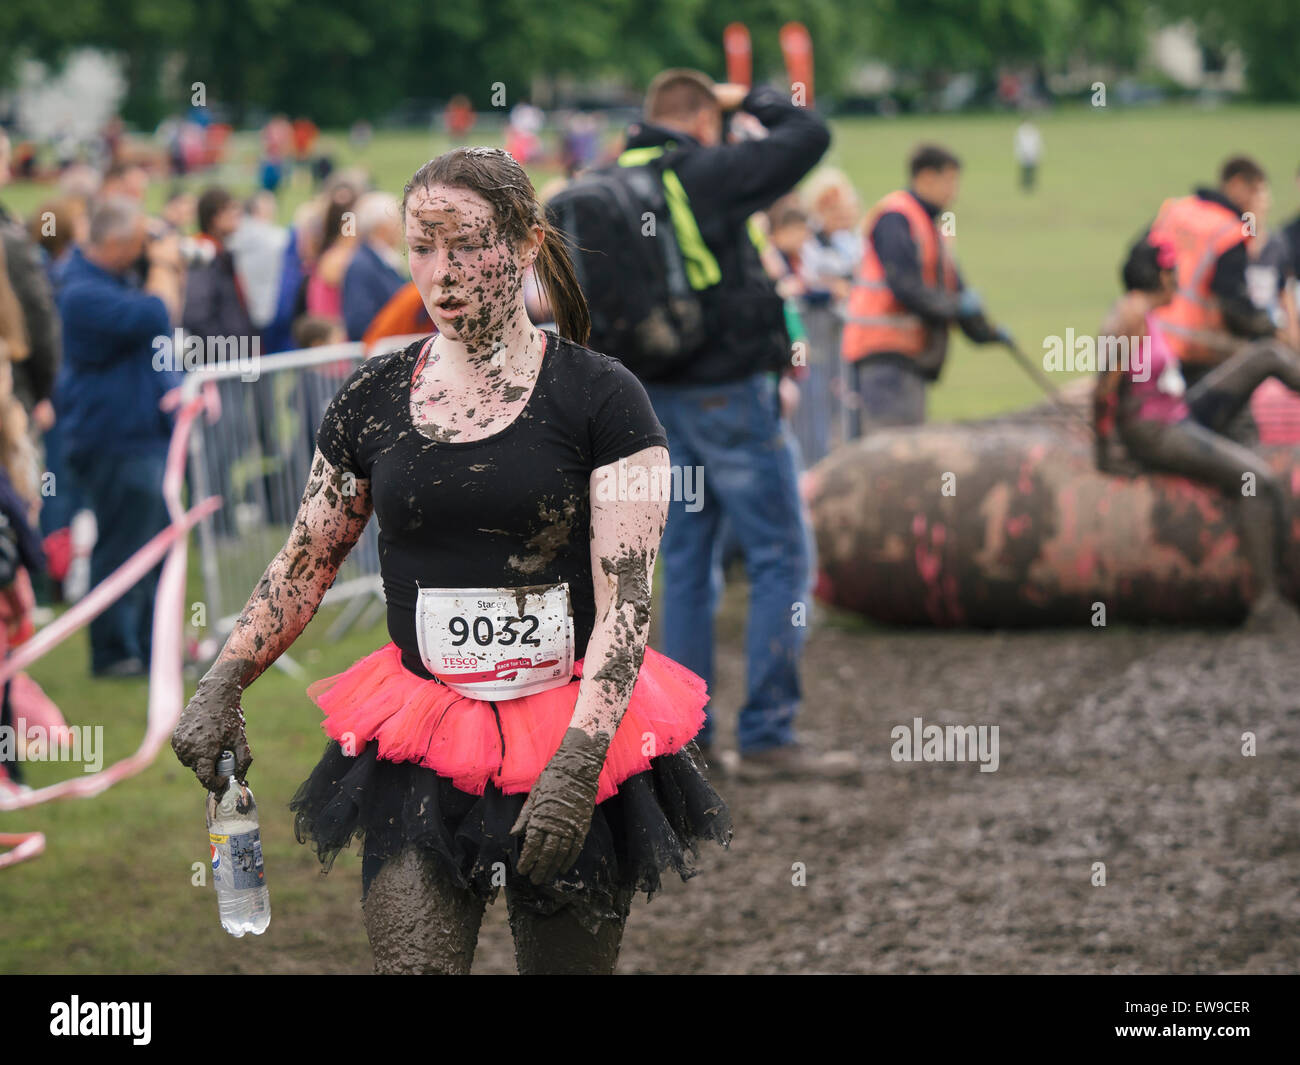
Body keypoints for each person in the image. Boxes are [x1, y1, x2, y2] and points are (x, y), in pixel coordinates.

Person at [171, 146, 731, 975]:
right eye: (421, 248)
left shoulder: (603, 397)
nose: (441, 272)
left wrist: (579, 767)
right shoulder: (371, 396)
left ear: (527, 242)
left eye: (465, 244)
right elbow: (305, 560)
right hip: (422, 733)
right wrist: (225, 678)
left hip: (571, 727)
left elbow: (628, 605)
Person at [619, 69, 852, 779]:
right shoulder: (703, 171)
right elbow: (809, 133)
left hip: (656, 399)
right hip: (730, 396)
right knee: (783, 555)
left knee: (687, 566)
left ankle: (688, 738)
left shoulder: (615, 178)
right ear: (703, 120)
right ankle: (768, 733)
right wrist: (745, 96)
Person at [1094, 235, 1300, 631]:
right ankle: (1266, 603)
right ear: (1158, 276)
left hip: (1179, 410)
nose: (1178, 282)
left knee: (1267, 356)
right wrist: (1107, 450)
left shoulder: (1147, 313)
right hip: (1156, 429)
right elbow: (1105, 390)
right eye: (1172, 274)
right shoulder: (1128, 318)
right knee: (1256, 479)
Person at [56, 197, 183, 677]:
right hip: (113, 440)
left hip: (139, 436)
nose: (142, 253)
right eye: (135, 245)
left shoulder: (112, 280)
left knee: (152, 545)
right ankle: (113, 654)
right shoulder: (80, 292)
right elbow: (157, 313)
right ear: (113, 243)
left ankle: (150, 646)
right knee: (121, 549)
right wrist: (166, 263)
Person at [841, 143, 1005, 437]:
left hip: (909, 356)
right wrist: (957, 308)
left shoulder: (930, 227)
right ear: (926, 177)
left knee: (906, 443)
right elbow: (906, 287)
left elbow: (954, 289)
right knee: (890, 450)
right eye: (949, 181)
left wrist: (986, 331)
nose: (954, 192)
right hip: (883, 353)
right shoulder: (896, 218)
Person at [1144, 156, 1279, 444]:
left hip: (1153, 347)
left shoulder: (1177, 211)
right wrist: (1271, 329)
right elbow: (1237, 310)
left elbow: (1137, 267)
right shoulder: (1229, 232)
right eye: (1257, 192)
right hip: (1198, 354)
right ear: (1237, 186)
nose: (1261, 204)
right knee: (1242, 438)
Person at [341, 192, 406, 341]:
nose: (402, 227)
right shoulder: (361, 266)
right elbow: (359, 324)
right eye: (396, 221)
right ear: (381, 228)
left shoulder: (383, 259)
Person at [1014, 119, 1042, 192]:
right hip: (1024, 155)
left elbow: (1037, 143)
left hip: (1032, 154)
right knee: (1025, 172)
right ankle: (1025, 185)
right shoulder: (1021, 132)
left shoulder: (1033, 131)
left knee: (1031, 171)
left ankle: (1031, 185)